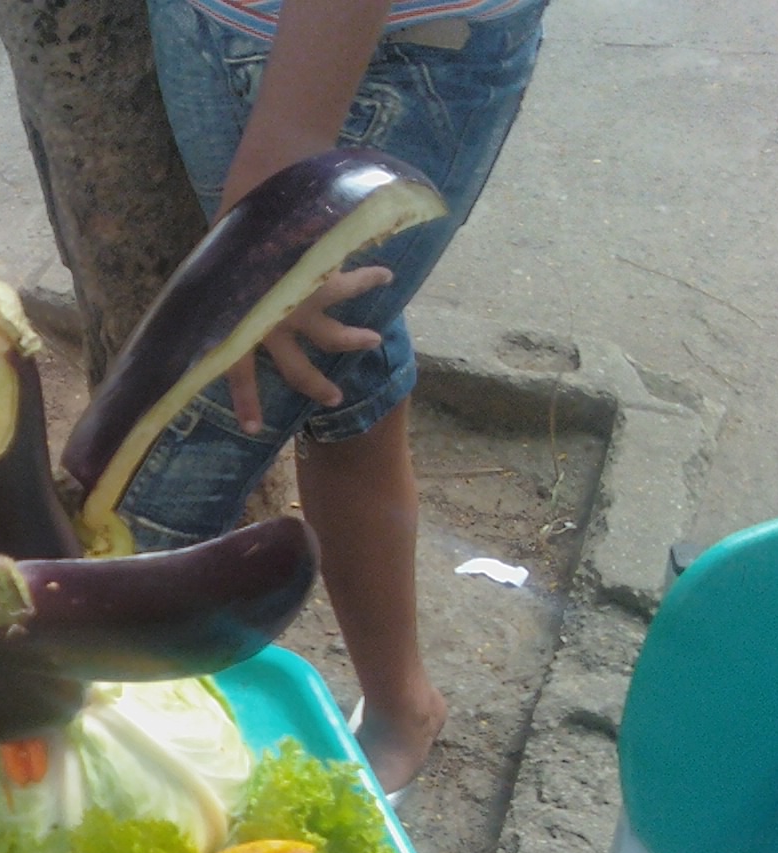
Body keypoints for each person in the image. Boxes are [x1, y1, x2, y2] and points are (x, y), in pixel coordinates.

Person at [118, 0, 550, 798]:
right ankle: (402, 705)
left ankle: (94, 784)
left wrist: (283, 164)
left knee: (158, 481)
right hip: (218, 26)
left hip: (392, 48)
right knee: (337, 371)